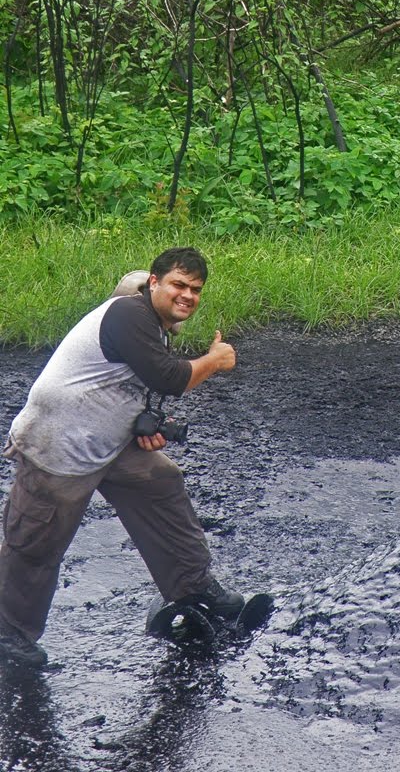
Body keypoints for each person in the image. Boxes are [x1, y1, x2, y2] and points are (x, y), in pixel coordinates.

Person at [0, 247, 243, 667]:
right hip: (59, 445)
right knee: (36, 544)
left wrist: (146, 426)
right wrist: (214, 361)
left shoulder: (154, 326)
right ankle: (9, 632)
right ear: (152, 283)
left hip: (108, 442)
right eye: (178, 285)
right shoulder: (128, 315)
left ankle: (193, 589)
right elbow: (169, 378)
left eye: (195, 289)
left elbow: (130, 387)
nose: (187, 296)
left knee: (161, 482)